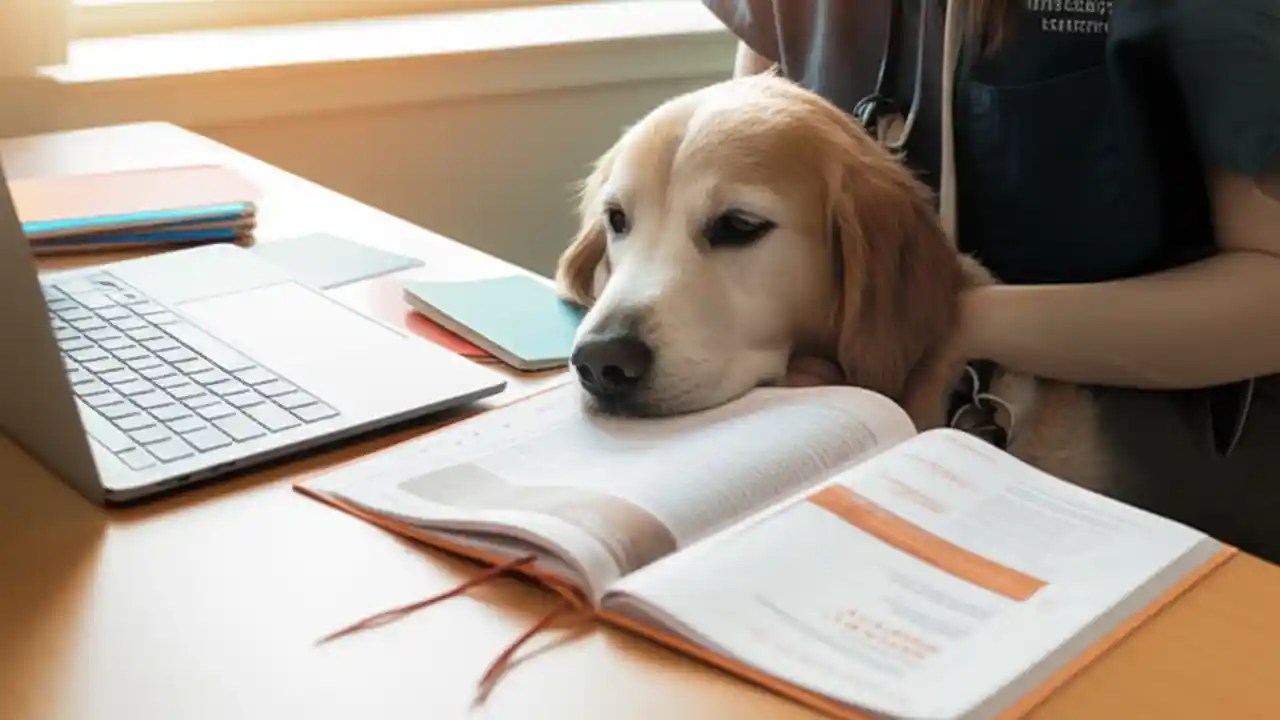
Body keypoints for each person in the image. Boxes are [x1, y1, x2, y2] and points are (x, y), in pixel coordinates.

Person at [702, 0, 1280, 562]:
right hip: (877, 462)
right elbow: (740, 164)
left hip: (1157, 490)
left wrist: (947, 322)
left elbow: (1269, 291)